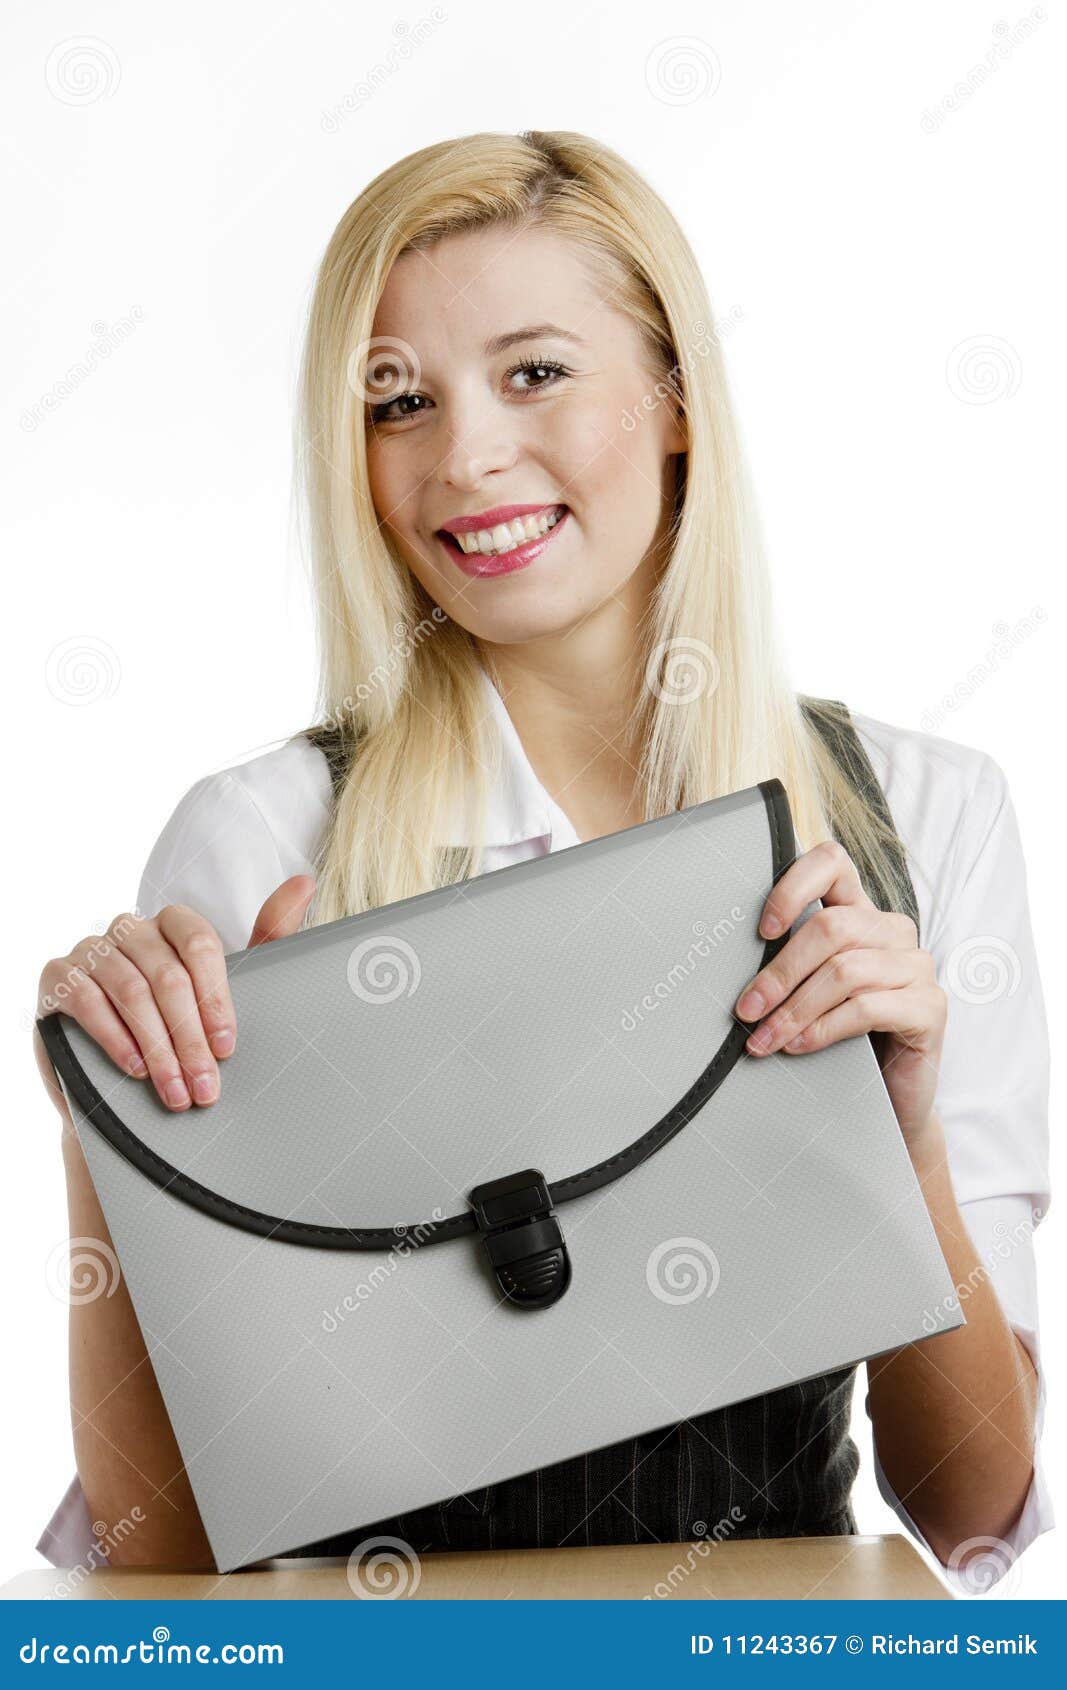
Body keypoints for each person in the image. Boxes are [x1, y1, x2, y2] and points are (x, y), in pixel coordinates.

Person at [34, 131, 1050, 1593]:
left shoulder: (927, 812)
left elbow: (973, 1512)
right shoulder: (265, 842)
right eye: (397, 401)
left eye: (536, 373)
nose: (465, 458)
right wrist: (105, 1129)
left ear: (678, 395)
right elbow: (157, 1561)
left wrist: (908, 1146)